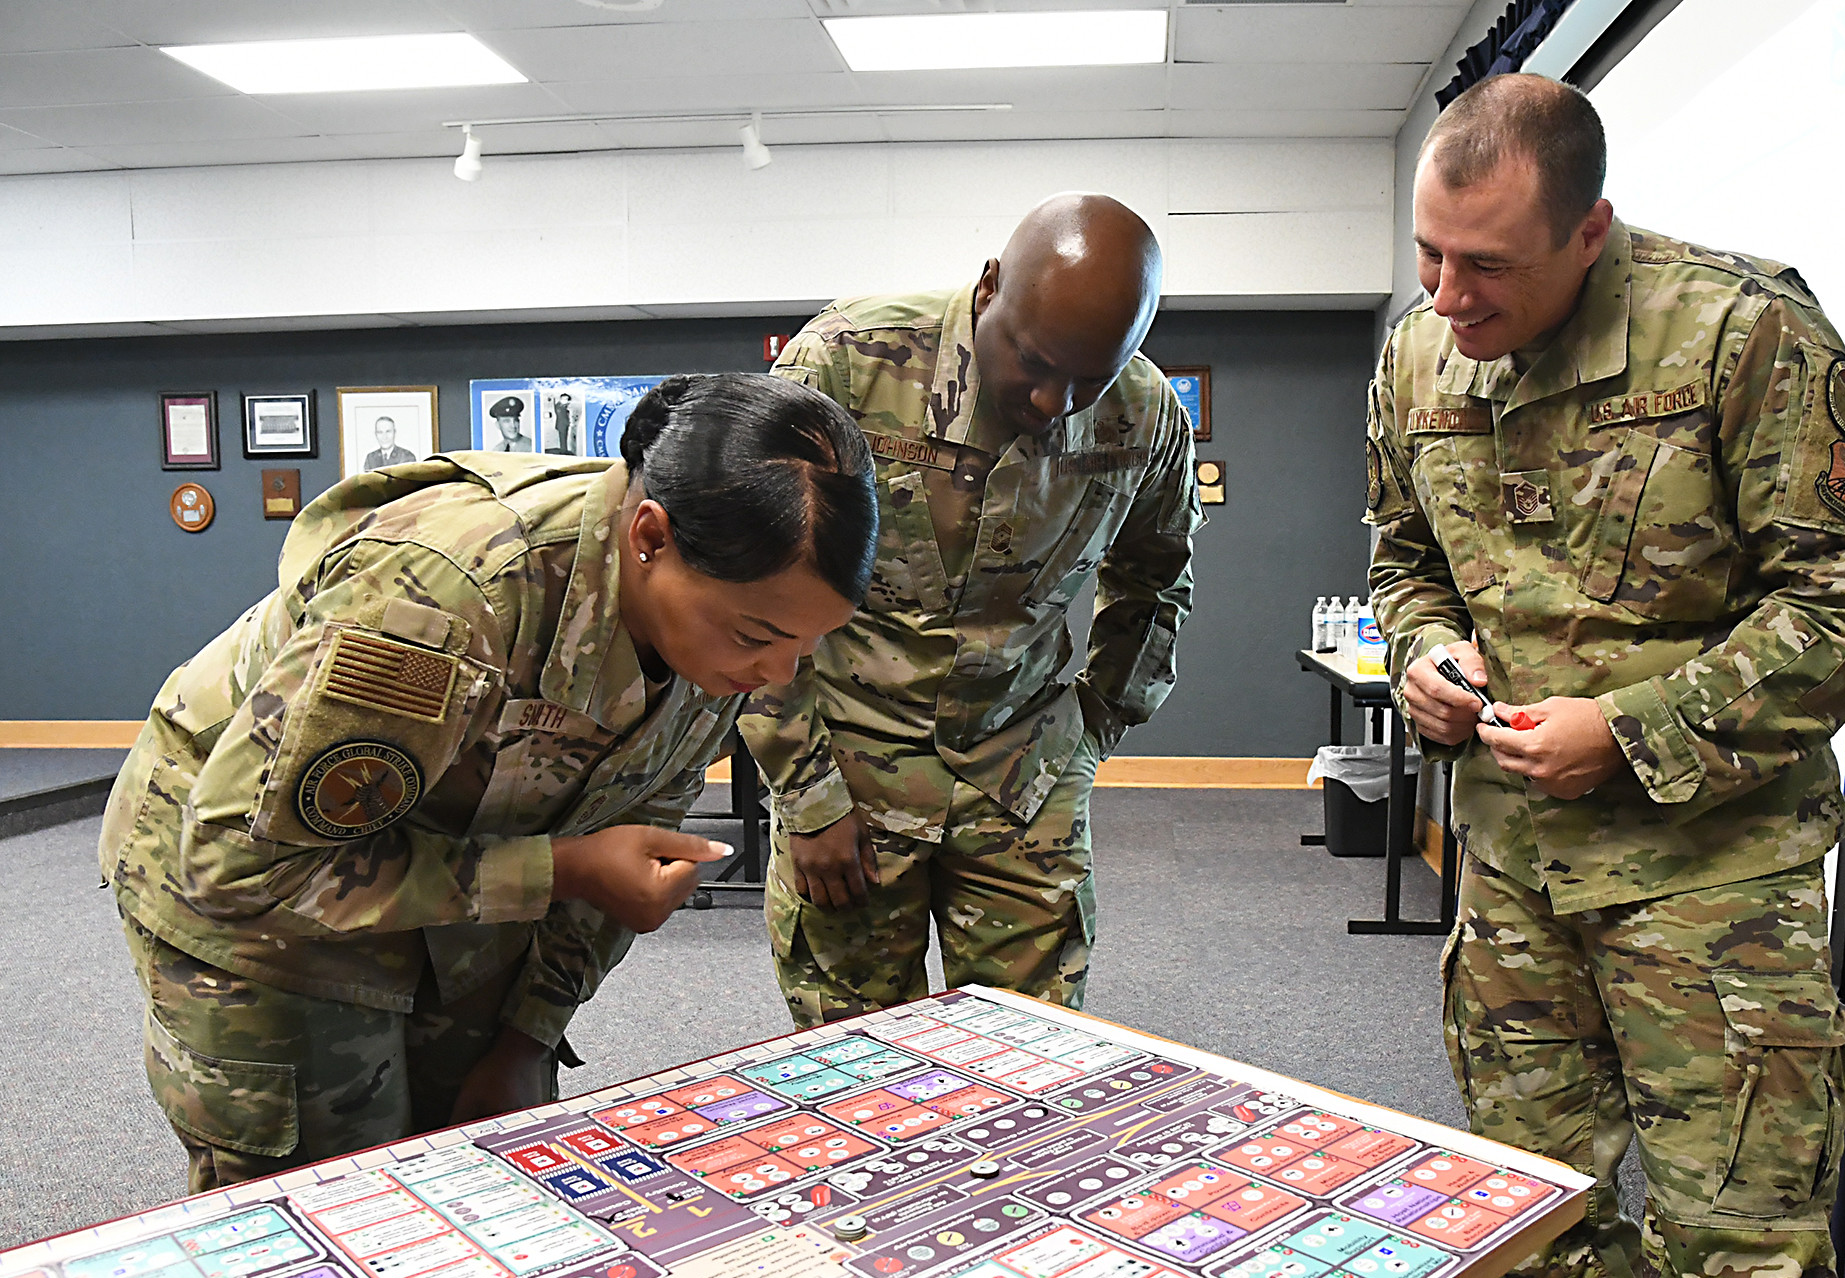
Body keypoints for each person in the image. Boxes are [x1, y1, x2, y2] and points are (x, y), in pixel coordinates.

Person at [1365, 77, 1845, 1278]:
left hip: (1711, 887)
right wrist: (1424, 651)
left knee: (1739, 1240)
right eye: (1430, 253)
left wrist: (1639, 725)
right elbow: (1403, 556)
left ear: (1591, 229)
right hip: (1515, 873)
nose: (1449, 295)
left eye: (1487, 264)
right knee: (1533, 1200)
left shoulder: (1742, 330)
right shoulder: (1419, 356)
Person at [101, 374, 879, 1193]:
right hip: (252, 891)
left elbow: (625, 835)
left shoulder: (717, 635)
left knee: (478, 1169)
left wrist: (526, 1039)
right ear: (649, 537)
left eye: (806, 647)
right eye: (759, 636)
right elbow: (238, 865)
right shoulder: (446, 599)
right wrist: (565, 869)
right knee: (327, 1195)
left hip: (453, 868)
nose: (775, 674)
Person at [742, 192, 1201, 1029]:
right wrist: (803, 791)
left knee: (1031, 1062)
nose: (1054, 402)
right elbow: (747, 590)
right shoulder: (847, 364)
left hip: (1023, 770)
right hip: (853, 768)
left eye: (1088, 379)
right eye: (1034, 362)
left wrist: (1093, 733)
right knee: (852, 1061)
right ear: (990, 288)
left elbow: (1156, 581)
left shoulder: (1144, 413)